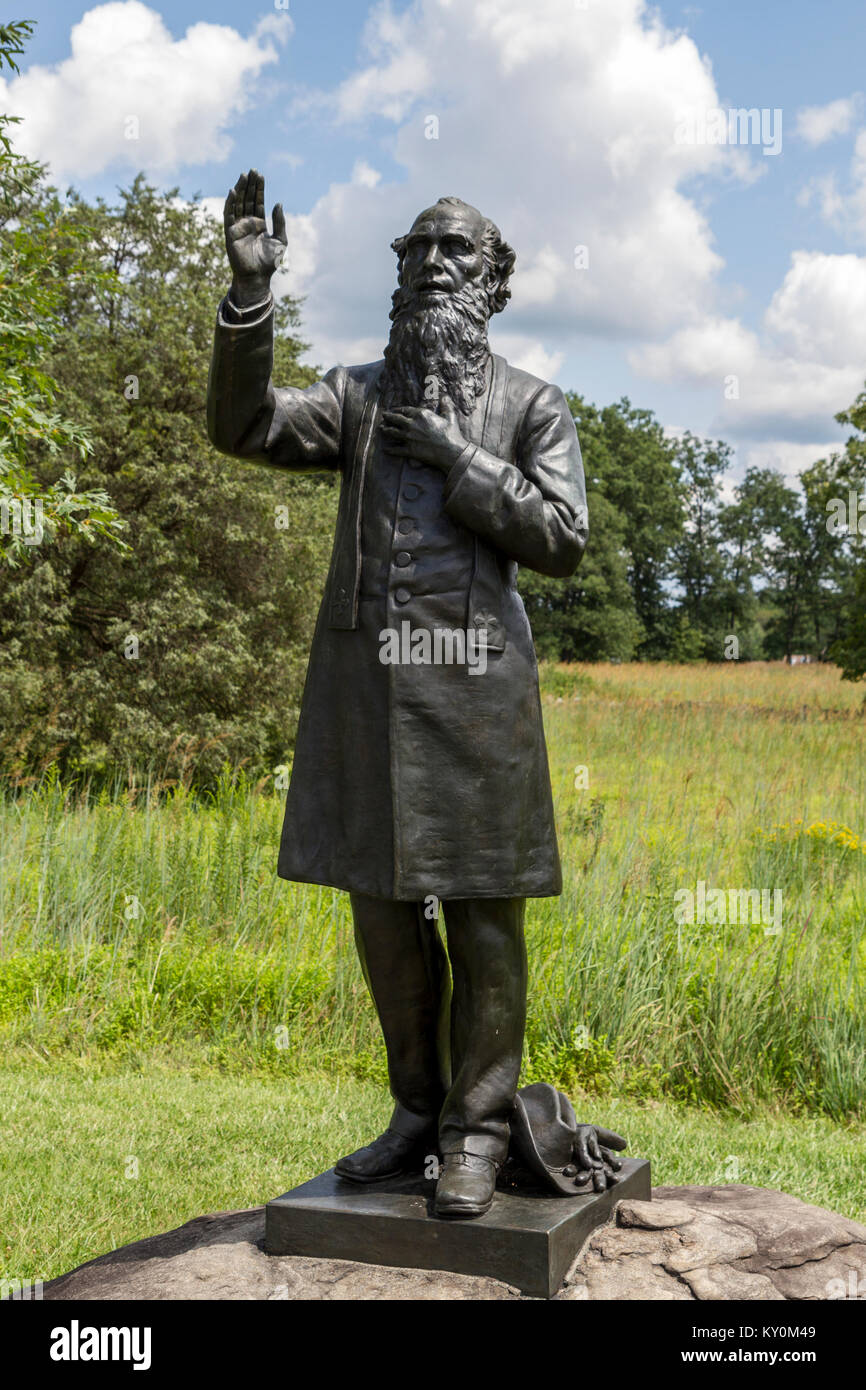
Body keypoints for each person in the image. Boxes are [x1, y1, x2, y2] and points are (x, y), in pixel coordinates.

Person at [207, 170, 587, 1218]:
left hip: (477, 703)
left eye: (451, 254)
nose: (427, 269)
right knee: (381, 916)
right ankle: (417, 1114)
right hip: (363, 699)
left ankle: (475, 1129)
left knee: (481, 923)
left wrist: (461, 459)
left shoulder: (528, 405)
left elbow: (560, 539)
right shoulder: (355, 395)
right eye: (411, 254)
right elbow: (242, 425)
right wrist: (249, 300)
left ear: (493, 281)